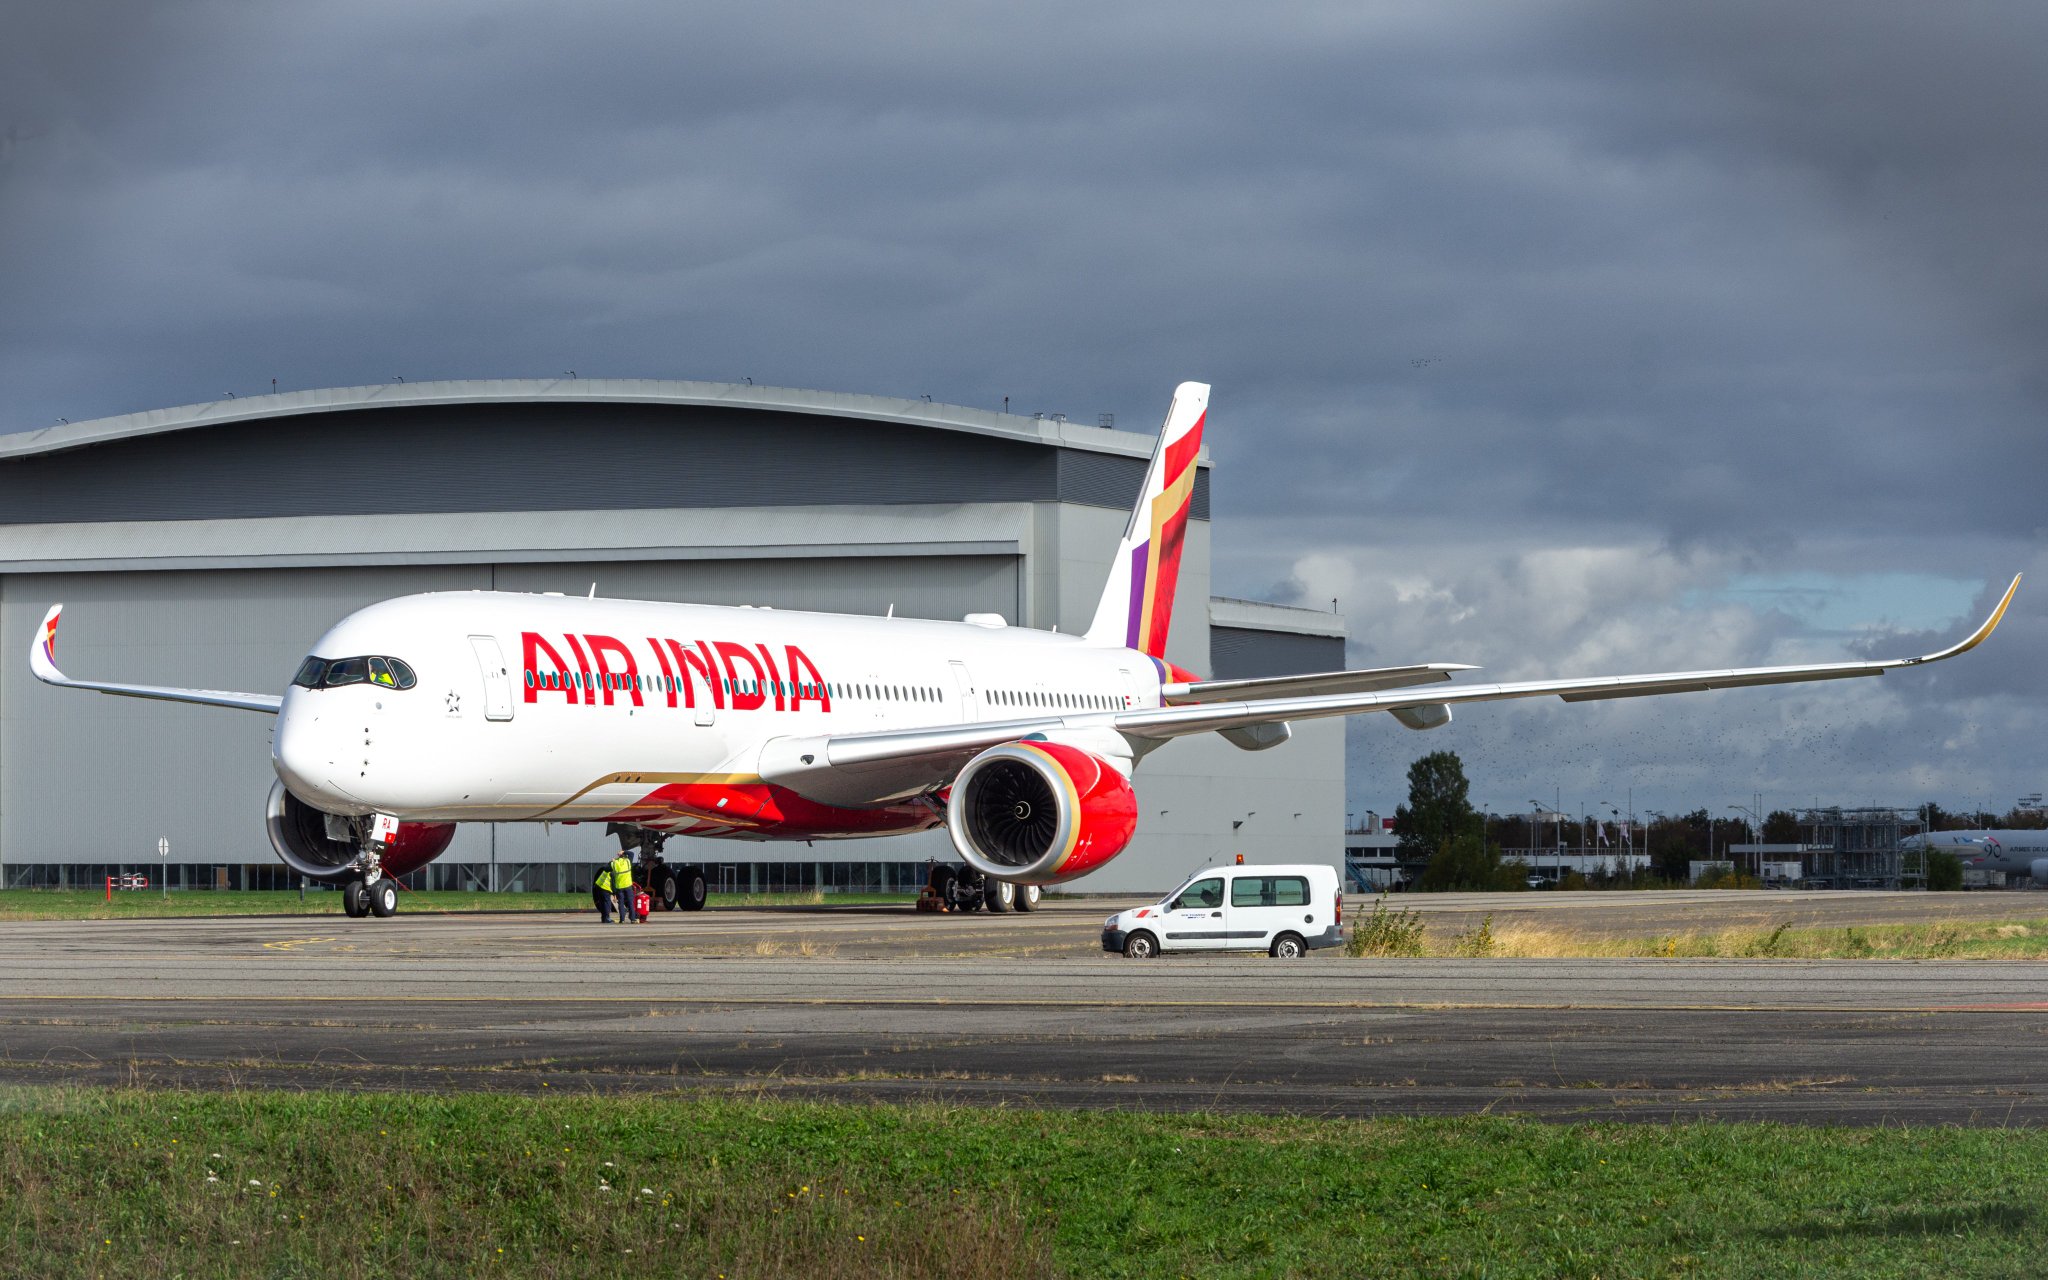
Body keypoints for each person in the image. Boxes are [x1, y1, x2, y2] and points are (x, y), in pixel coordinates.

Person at [609, 852, 634, 925]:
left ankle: (622, 919)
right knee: (630, 903)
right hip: (628, 886)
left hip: (619, 887)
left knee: (621, 903)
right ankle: (632, 919)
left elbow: (610, 865)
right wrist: (623, 852)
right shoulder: (627, 861)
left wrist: (614, 860)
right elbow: (631, 854)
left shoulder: (614, 863)